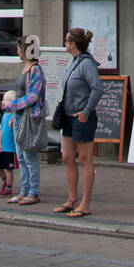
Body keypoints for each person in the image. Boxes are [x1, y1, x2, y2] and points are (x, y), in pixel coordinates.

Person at [55, 27, 103, 218]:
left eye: (66, 40)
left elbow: (97, 88)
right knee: (67, 157)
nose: (64, 43)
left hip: (82, 117)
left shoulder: (86, 64)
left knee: (85, 159)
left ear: (73, 44)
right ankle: (72, 199)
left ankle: (85, 204)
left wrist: (86, 111)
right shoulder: (73, 62)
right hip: (68, 116)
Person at [5, 35, 47, 206]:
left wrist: (11, 105)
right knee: (21, 156)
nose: (17, 52)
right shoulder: (25, 68)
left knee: (29, 156)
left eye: (19, 49)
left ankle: (33, 192)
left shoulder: (35, 69)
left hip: (28, 117)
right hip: (19, 116)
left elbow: (33, 96)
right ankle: (24, 190)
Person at [0, 90, 17, 198]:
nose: (3, 102)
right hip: (3, 147)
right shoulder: (4, 116)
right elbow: (1, 131)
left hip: (11, 148)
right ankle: (5, 181)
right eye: (3, 100)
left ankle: (9, 187)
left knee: (9, 168)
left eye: (6, 100)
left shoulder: (14, 116)